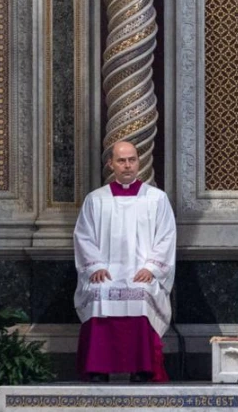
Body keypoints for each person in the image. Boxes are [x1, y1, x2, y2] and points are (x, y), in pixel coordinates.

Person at [74, 141, 176, 382]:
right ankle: (98, 368)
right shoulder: (96, 200)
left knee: (140, 294)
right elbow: (83, 236)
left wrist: (151, 268)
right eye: (121, 160)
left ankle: (141, 368)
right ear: (111, 163)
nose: (127, 165)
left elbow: (166, 237)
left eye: (132, 159)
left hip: (141, 272)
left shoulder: (156, 199)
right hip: (106, 272)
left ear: (139, 162)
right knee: (100, 293)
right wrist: (95, 267)